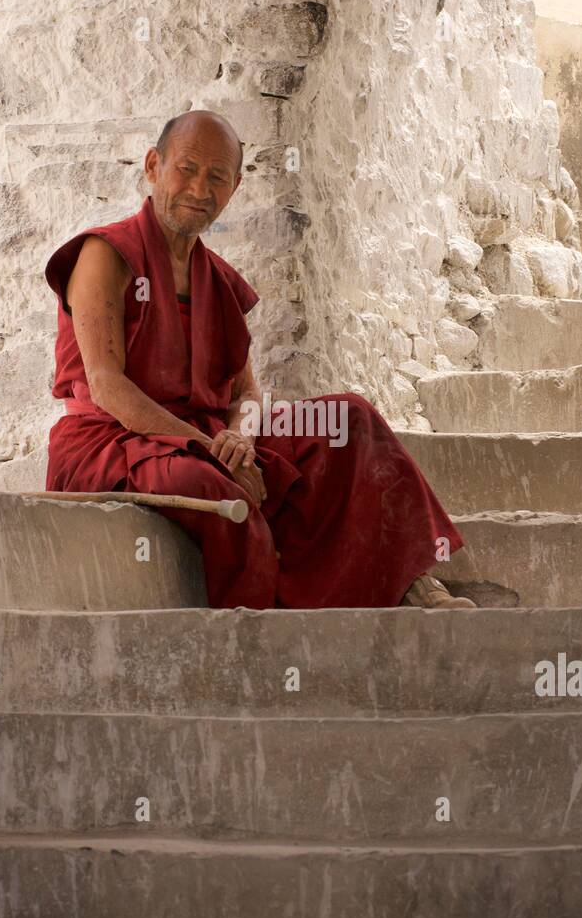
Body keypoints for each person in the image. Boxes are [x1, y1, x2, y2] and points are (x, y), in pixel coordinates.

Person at [44, 110, 476, 611]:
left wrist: (238, 439)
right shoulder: (107, 253)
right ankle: (263, 629)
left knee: (347, 417)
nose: (200, 189)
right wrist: (210, 450)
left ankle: (405, 580)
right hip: (113, 441)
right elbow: (106, 386)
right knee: (205, 484)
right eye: (186, 169)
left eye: (217, 177)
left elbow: (246, 394)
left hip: (206, 438)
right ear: (153, 166)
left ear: (234, 187)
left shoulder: (218, 278)